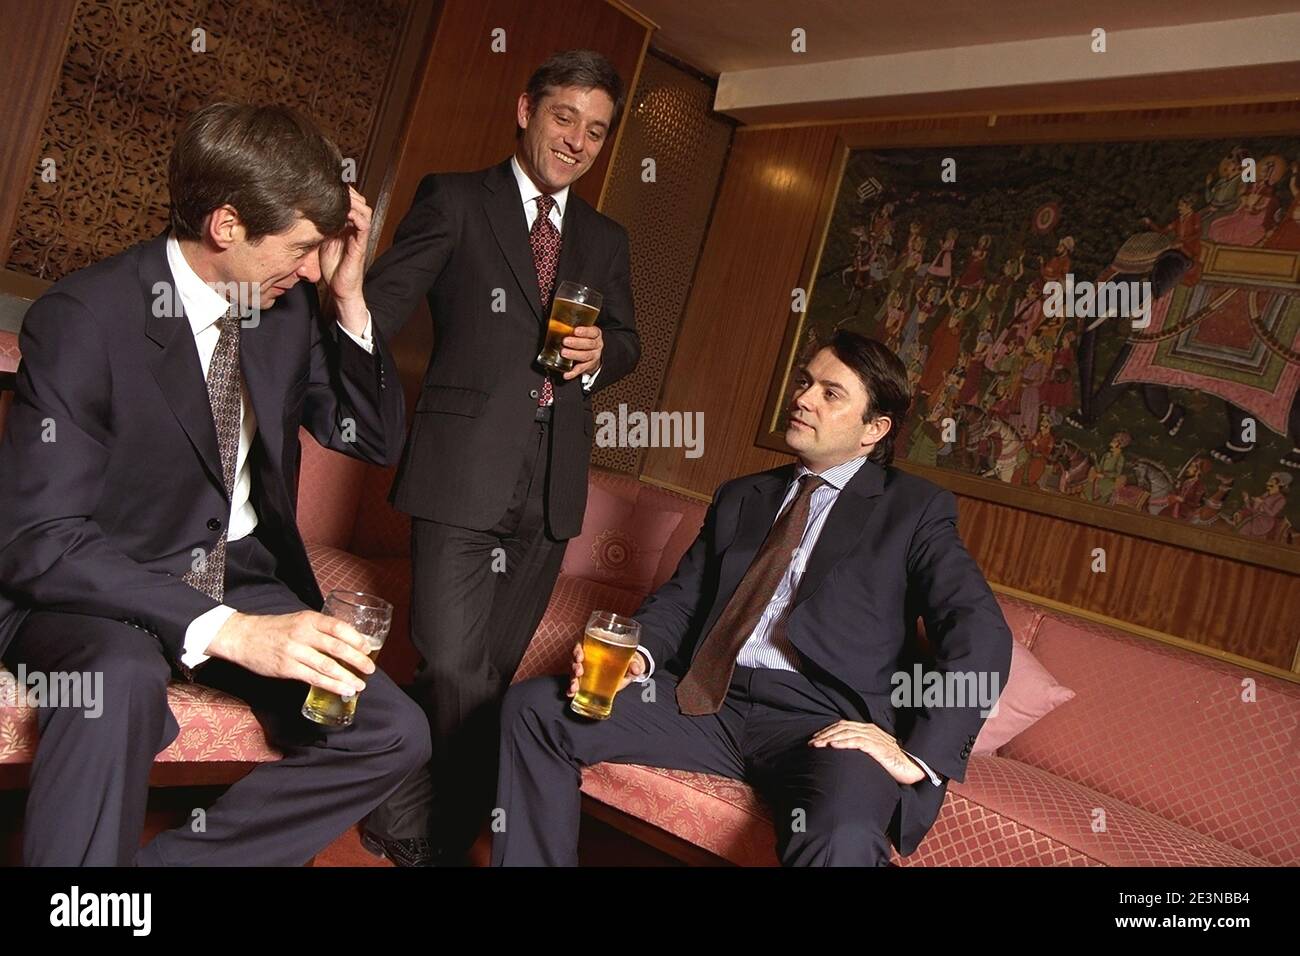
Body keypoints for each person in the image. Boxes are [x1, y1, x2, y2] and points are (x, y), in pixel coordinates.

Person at [0, 103, 430, 866]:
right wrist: (232, 632)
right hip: (102, 587)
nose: (308, 268)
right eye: (300, 249)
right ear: (227, 225)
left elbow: (371, 436)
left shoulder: (288, 306)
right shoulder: (86, 317)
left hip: (237, 574)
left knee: (394, 732)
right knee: (118, 680)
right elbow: (39, 539)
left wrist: (349, 298)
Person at [493, 331, 1012, 866]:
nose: (804, 398)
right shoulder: (742, 496)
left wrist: (916, 754)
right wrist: (638, 659)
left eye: (831, 394)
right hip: (705, 699)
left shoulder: (914, 510)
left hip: (824, 723)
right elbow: (682, 602)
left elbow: (980, 632)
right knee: (534, 710)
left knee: (843, 835)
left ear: (873, 430)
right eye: (805, 381)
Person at [359, 50, 641, 865]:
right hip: (461, 466)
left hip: (553, 482)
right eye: (565, 118)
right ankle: (449, 833)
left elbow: (626, 339)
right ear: (525, 110)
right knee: (450, 661)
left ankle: (407, 822)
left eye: (595, 132)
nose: (577, 141)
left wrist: (602, 352)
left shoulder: (605, 237)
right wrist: (337, 292)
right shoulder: (454, 199)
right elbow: (379, 307)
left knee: (491, 667)